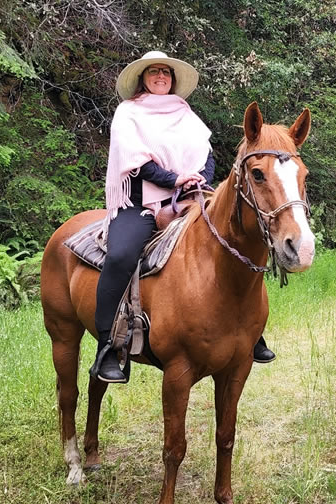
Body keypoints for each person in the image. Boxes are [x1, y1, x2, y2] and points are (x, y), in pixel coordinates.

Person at [91, 51, 274, 384]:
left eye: (166, 72)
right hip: (142, 203)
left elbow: (206, 155)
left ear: (172, 79)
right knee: (120, 256)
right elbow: (136, 162)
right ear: (143, 78)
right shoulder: (128, 113)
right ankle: (107, 347)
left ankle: (251, 331)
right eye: (154, 71)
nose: (161, 76)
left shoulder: (184, 113)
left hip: (191, 196)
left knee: (239, 238)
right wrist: (173, 179)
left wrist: (199, 178)